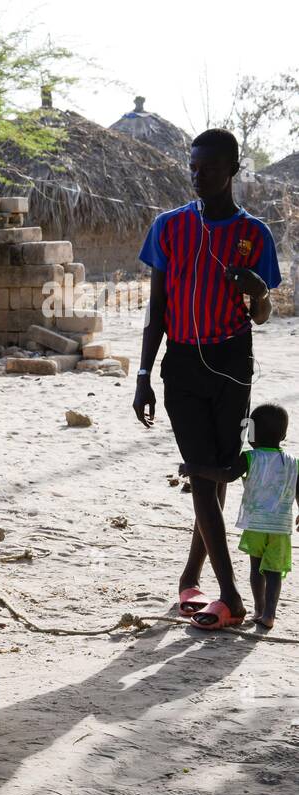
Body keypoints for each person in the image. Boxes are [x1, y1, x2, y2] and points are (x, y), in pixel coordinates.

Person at [133, 128, 282, 631]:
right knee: (201, 472)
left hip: (234, 361)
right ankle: (232, 597)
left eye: (211, 168)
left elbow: (262, 314)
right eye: (194, 167)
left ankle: (189, 578)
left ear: (233, 169)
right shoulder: (168, 227)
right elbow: (156, 309)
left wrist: (258, 292)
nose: (199, 176)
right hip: (182, 365)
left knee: (217, 472)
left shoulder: (255, 235)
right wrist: (143, 374)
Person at [179, 404, 298, 629]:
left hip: (256, 525)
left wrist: (195, 469)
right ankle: (269, 615)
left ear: (251, 434)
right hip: (281, 527)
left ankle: (259, 609)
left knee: (256, 569)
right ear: (283, 435)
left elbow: (224, 476)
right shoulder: (293, 462)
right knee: (273, 572)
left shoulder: (250, 457)